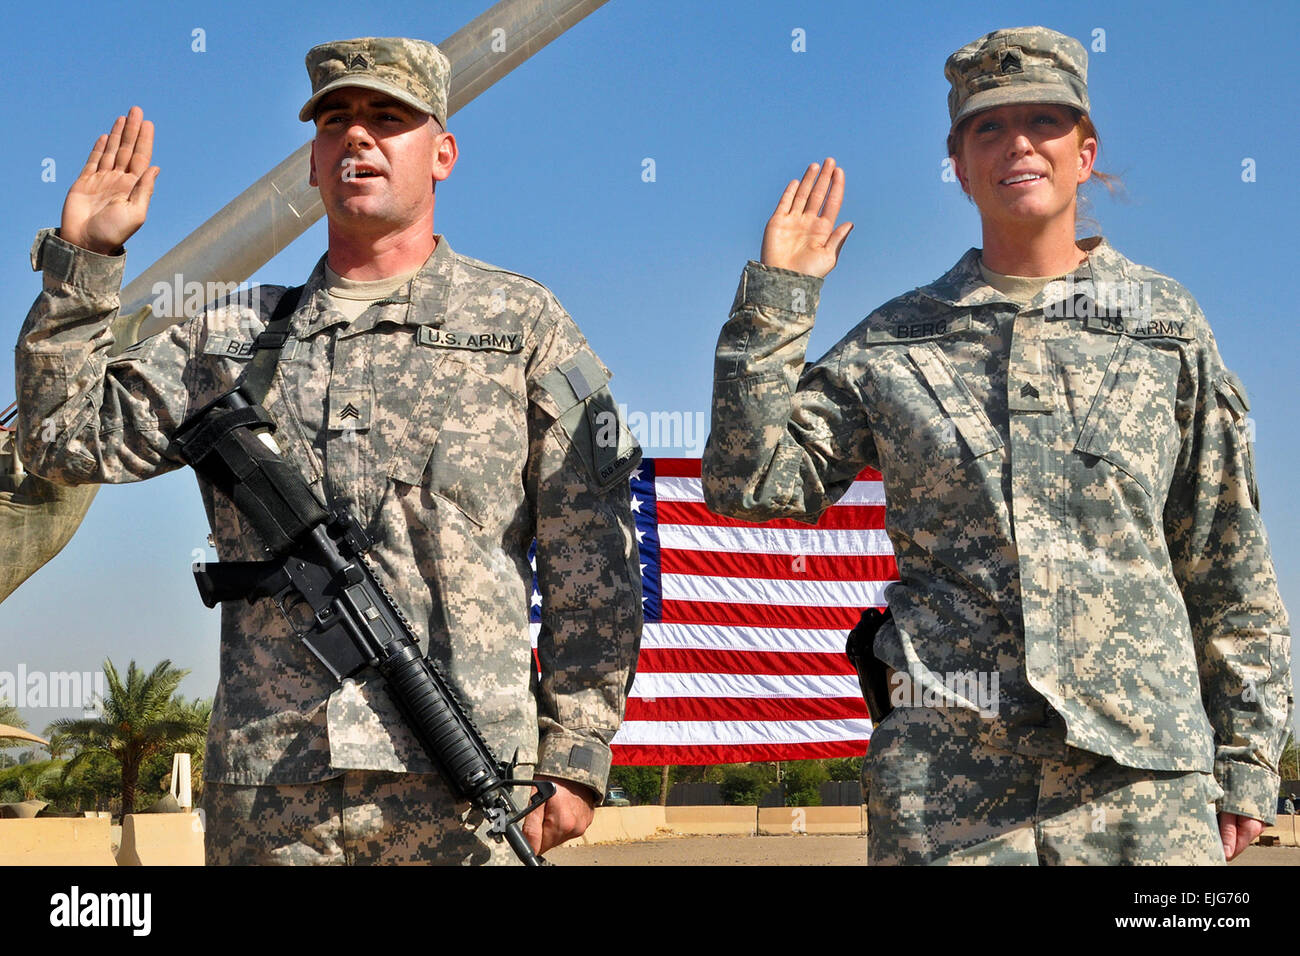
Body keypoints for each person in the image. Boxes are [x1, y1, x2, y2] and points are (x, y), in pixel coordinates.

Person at [15, 36, 642, 864]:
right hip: (275, 795)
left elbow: (591, 559)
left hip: (462, 790)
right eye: (335, 120)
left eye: (389, 118)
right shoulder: (227, 335)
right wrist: (85, 263)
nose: (358, 136)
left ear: (442, 153)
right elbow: (61, 438)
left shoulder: (521, 326)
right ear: (313, 162)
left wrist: (577, 755)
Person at [702, 26, 1291, 865]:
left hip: (1142, 793)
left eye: (1046, 121)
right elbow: (749, 482)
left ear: (1085, 153)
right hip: (949, 802)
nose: (1019, 141)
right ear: (959, 163)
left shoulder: (1164, 327)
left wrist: (1246, 758)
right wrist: (779, 298)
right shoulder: (898, 340)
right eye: (989, 126)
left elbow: (1226, 558)